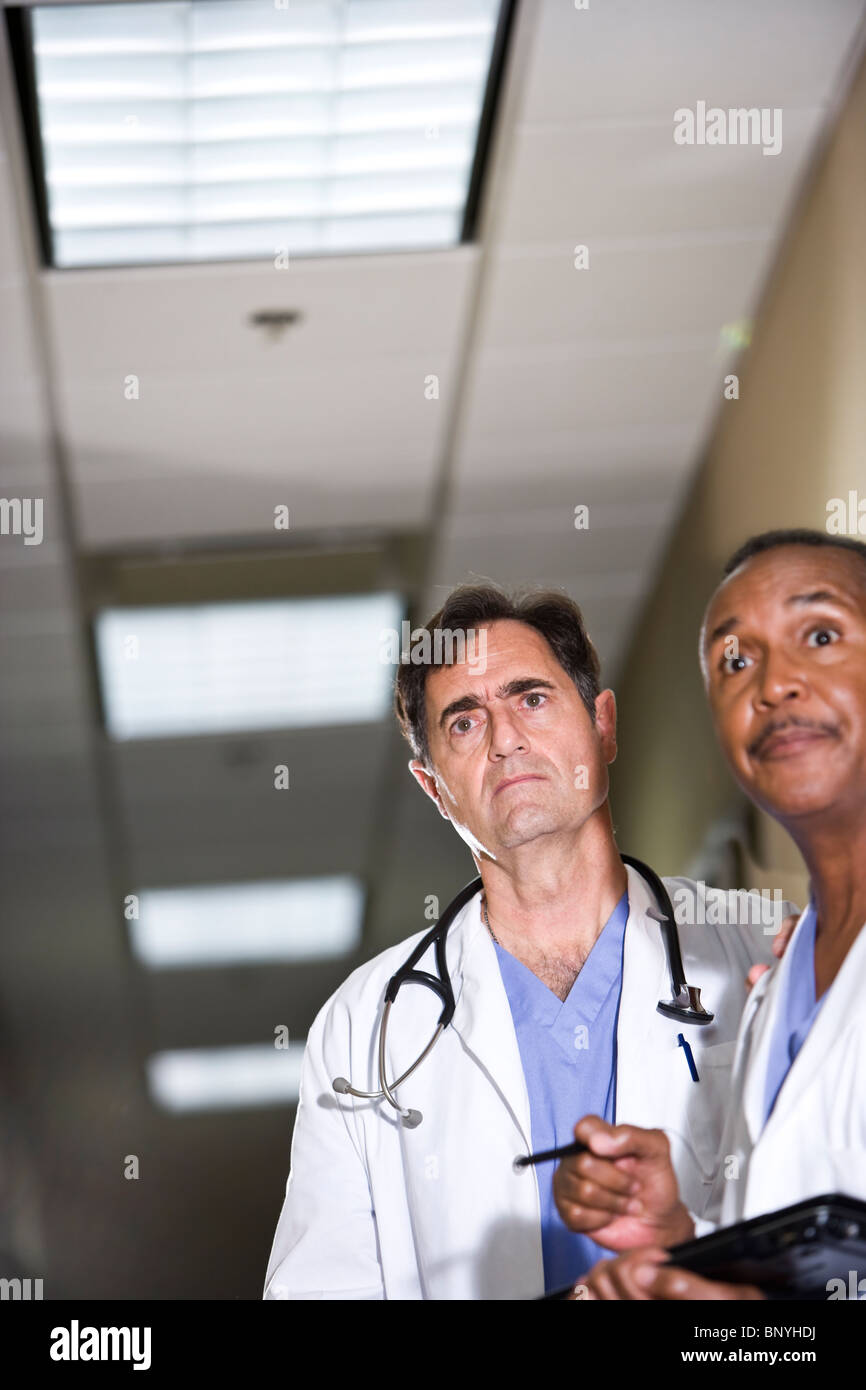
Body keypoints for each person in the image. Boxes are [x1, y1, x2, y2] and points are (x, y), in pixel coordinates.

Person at [263, 583, 792, 1300]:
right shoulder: (366, 1029)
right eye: (463, 723)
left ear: (603, 727)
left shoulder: (763, 946)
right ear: (433, 788)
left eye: (531, 699)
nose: (506, 738)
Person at [553, 529, 866, 1300]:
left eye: (820, 635)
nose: (773, 684)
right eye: (735, 659)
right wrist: (685, 1241)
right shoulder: (780, 984)